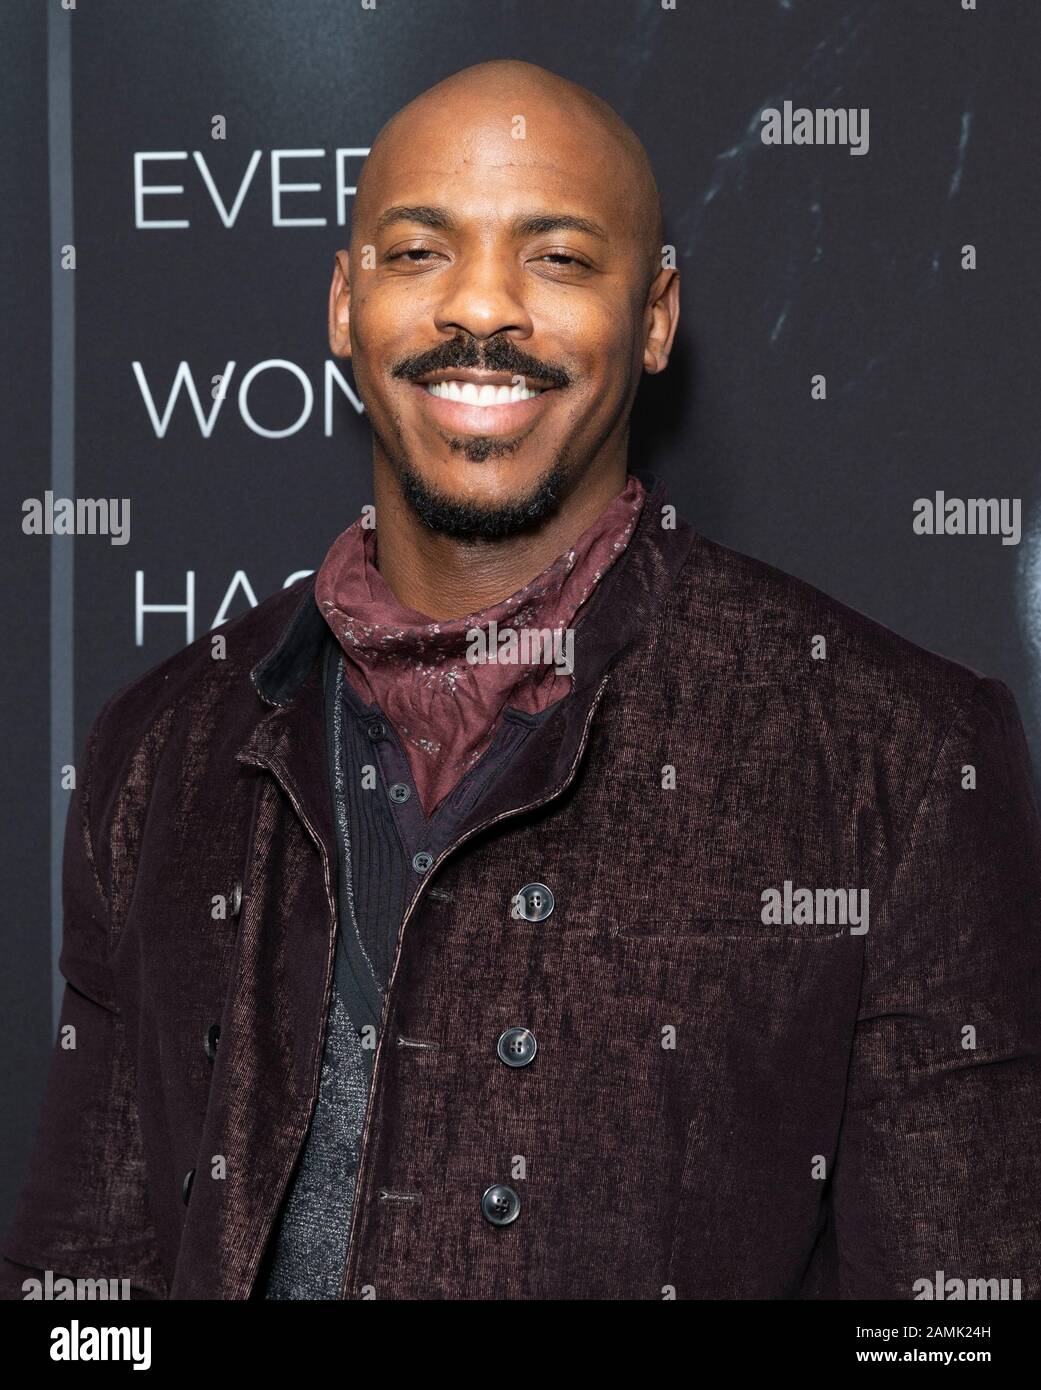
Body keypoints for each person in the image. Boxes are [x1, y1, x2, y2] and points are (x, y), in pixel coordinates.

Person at [4, 59, 1040, 1301]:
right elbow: (80, 1303)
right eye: (417, 253)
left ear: (654, 319)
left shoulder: (899, 758)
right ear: (345, 305)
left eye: (556, 258)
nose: (480, 309)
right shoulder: (160, 744)